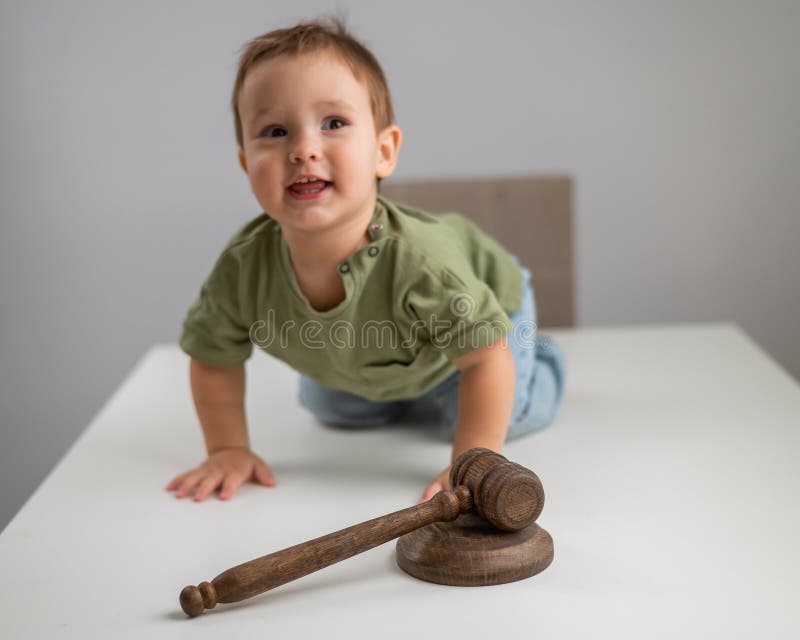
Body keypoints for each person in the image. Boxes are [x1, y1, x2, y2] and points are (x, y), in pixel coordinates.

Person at [166, 16, 565, 505]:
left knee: (486, 414)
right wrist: (228, 448)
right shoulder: (243, 266)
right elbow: (212, 355)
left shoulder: (421, 261)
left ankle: (539, 359)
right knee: (333, 409)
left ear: (383, 151)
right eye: (274, 131)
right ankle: (417, 386)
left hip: (488, 319)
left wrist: (471, 463)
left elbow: (484, 358)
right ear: (247, 164)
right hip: (373, 350)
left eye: (333, 123)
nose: (303, 150)